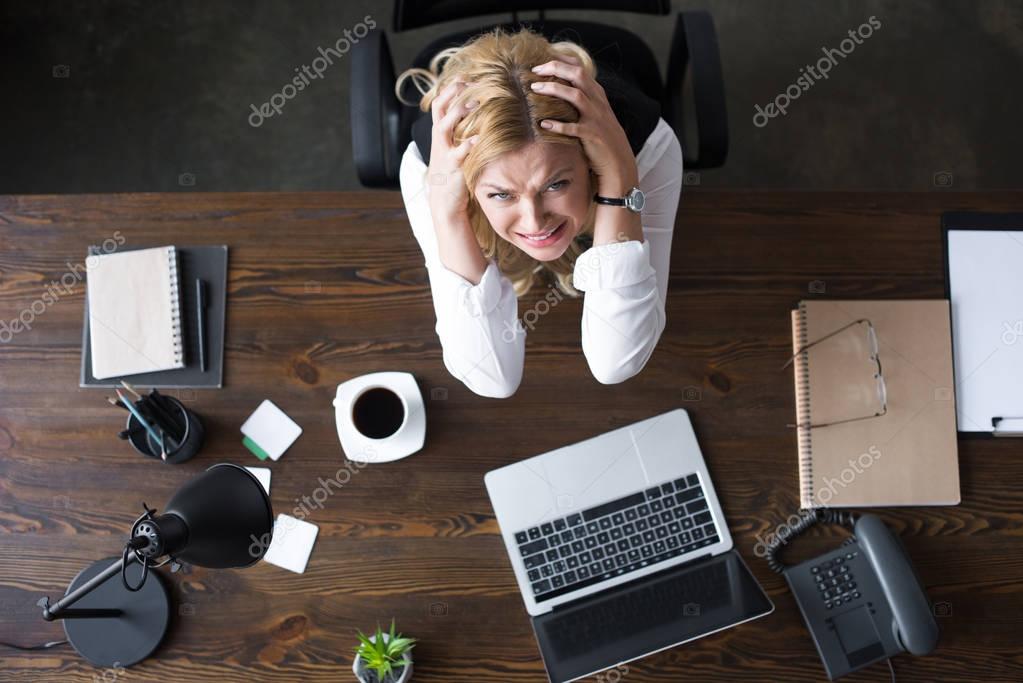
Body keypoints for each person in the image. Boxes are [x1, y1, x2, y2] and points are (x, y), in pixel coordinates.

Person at [396, 27, 683, 398]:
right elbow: (492, 378)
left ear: (590, 164)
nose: (534, 221)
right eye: (501, 194)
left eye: (556, 185)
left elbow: (617, 361)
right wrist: (447, 214)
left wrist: (621, 181)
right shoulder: (429, 170)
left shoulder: (649, 149)